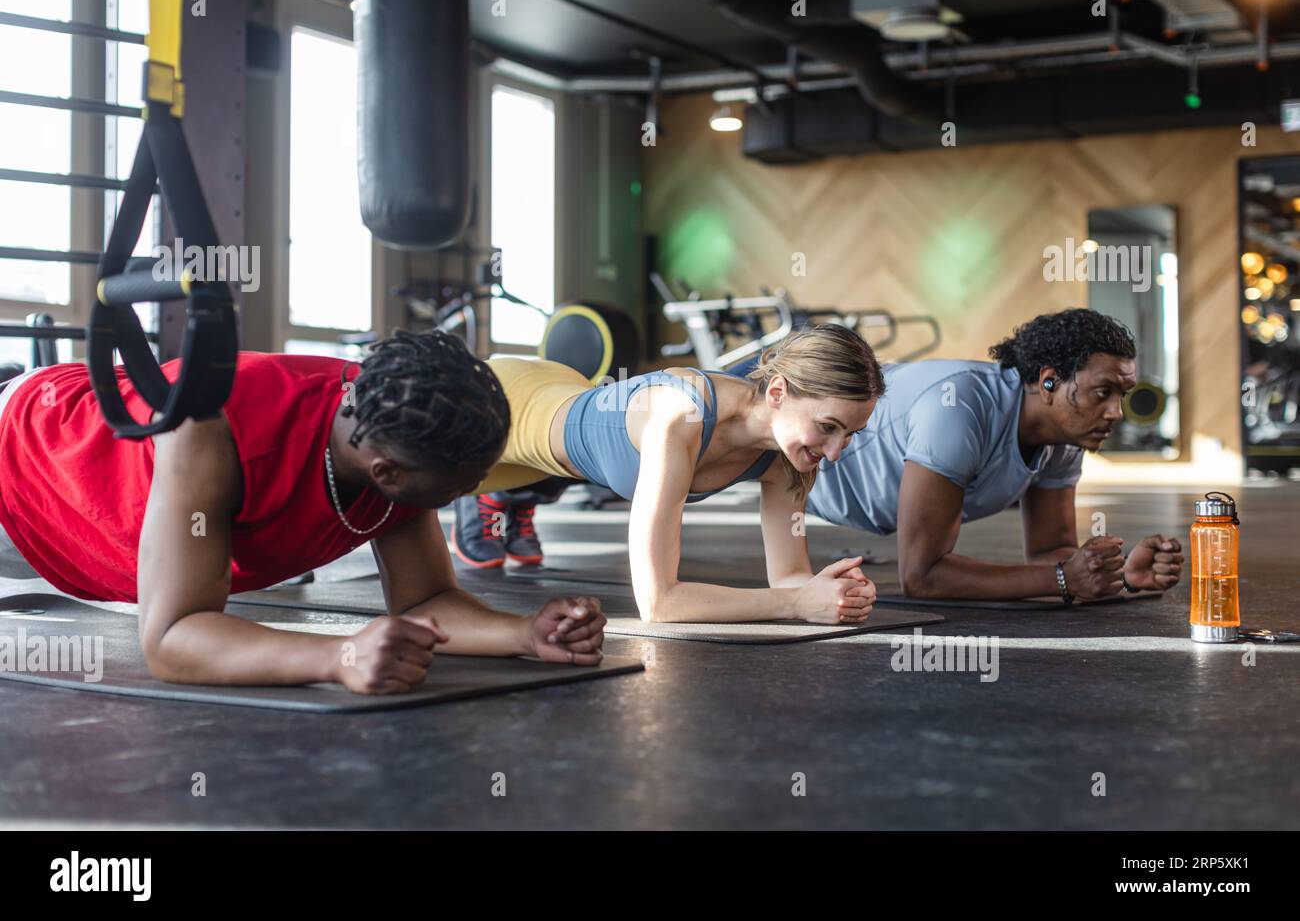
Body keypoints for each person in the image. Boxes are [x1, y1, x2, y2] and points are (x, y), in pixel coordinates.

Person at [0, 331, 606, 693]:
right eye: (453, 490)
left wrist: (523, 633)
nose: (459, 501)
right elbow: (171, 640)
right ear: (387, 476)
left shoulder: (398, 425)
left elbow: (423, 603)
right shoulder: (213, 429)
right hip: (31, 469)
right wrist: (337, 656)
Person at [468, 323, 885, 624]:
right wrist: (795, 605)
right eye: (828, 427)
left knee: (556, 472)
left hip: (554, 420)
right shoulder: (680, 416)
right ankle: (493, 499)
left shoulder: (790, 455)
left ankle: (511, 497)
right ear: (777, 392)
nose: (833, 453)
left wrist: (830, 592)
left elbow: (788, 577)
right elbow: (658, 604)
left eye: (849, 435)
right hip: (498, 407)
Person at [804, 309, 1184, 602]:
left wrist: (1119, 574)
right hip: (796, 444)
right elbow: (923, 576)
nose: (1117, 413)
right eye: (1103, 393)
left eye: (1122, 396)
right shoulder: (960, 407)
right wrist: (1065, 579)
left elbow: (1050, 554)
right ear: (1049, 381)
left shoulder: (1064, 441)